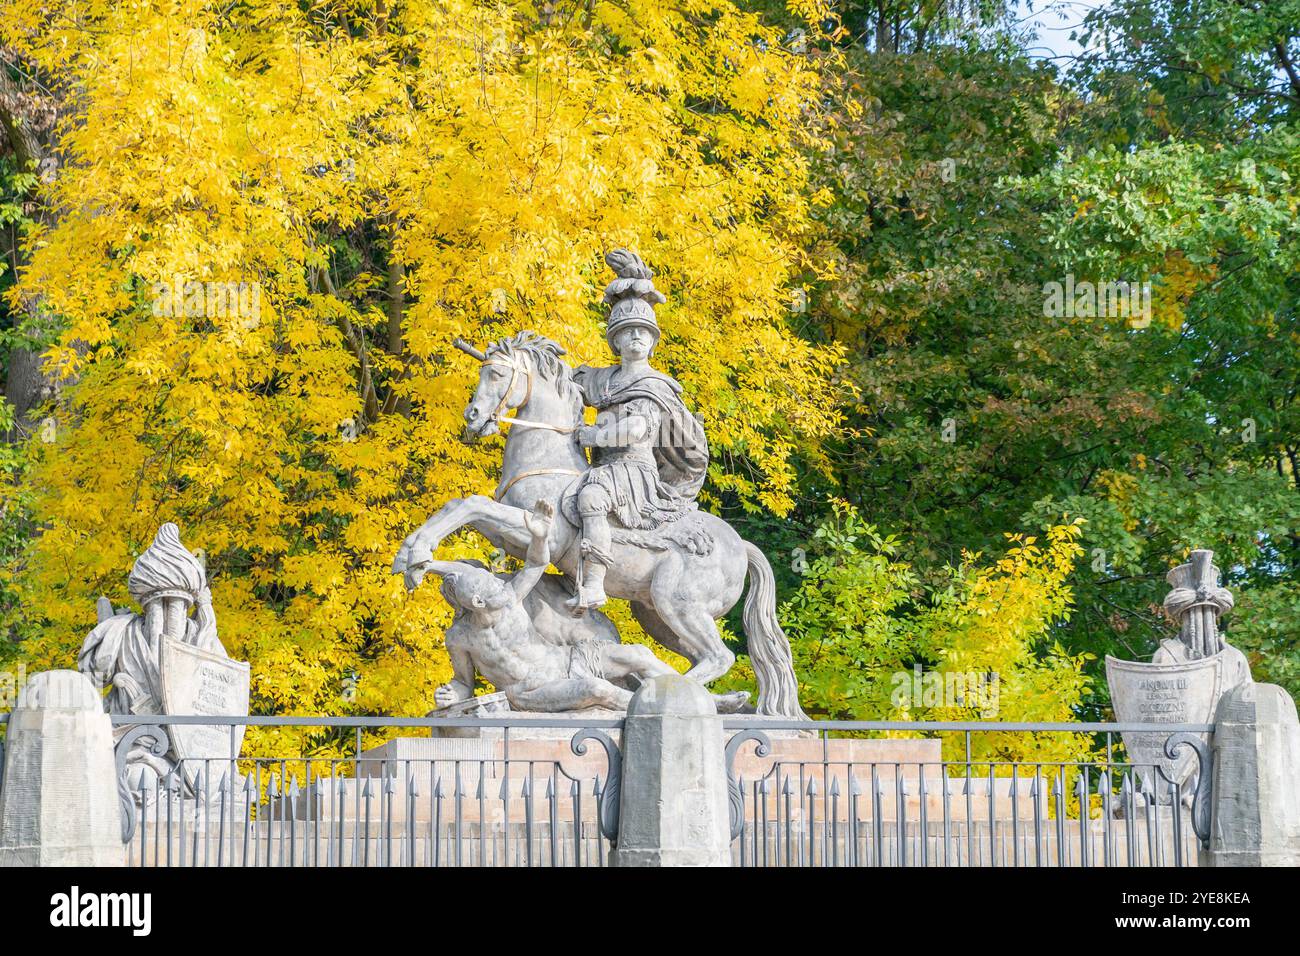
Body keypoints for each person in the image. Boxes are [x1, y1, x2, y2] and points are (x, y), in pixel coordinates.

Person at [430, 499, 747, 713]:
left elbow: (536, 562)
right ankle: (671, 708)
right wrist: (450, 694)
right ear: (476, 602)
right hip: (534, 687)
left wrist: (540, 536)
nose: (499, 580)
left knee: (638, 654)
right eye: (489, 583)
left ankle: (699, 698)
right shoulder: (460, 637)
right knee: (598, 689)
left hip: (567, 658)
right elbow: (463, 684)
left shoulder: (509, 599)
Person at [565, 249, 709, 612]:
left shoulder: (655, 384)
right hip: (601, 465)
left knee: (591, 498)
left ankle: (594, 583)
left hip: (633, 470)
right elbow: (561, 385)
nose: (635, 338)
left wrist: (596, 436)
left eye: (643, 332)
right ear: (615, 339)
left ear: (653, 340)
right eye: (627, 332)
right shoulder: (599, 379)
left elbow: (638, 427)